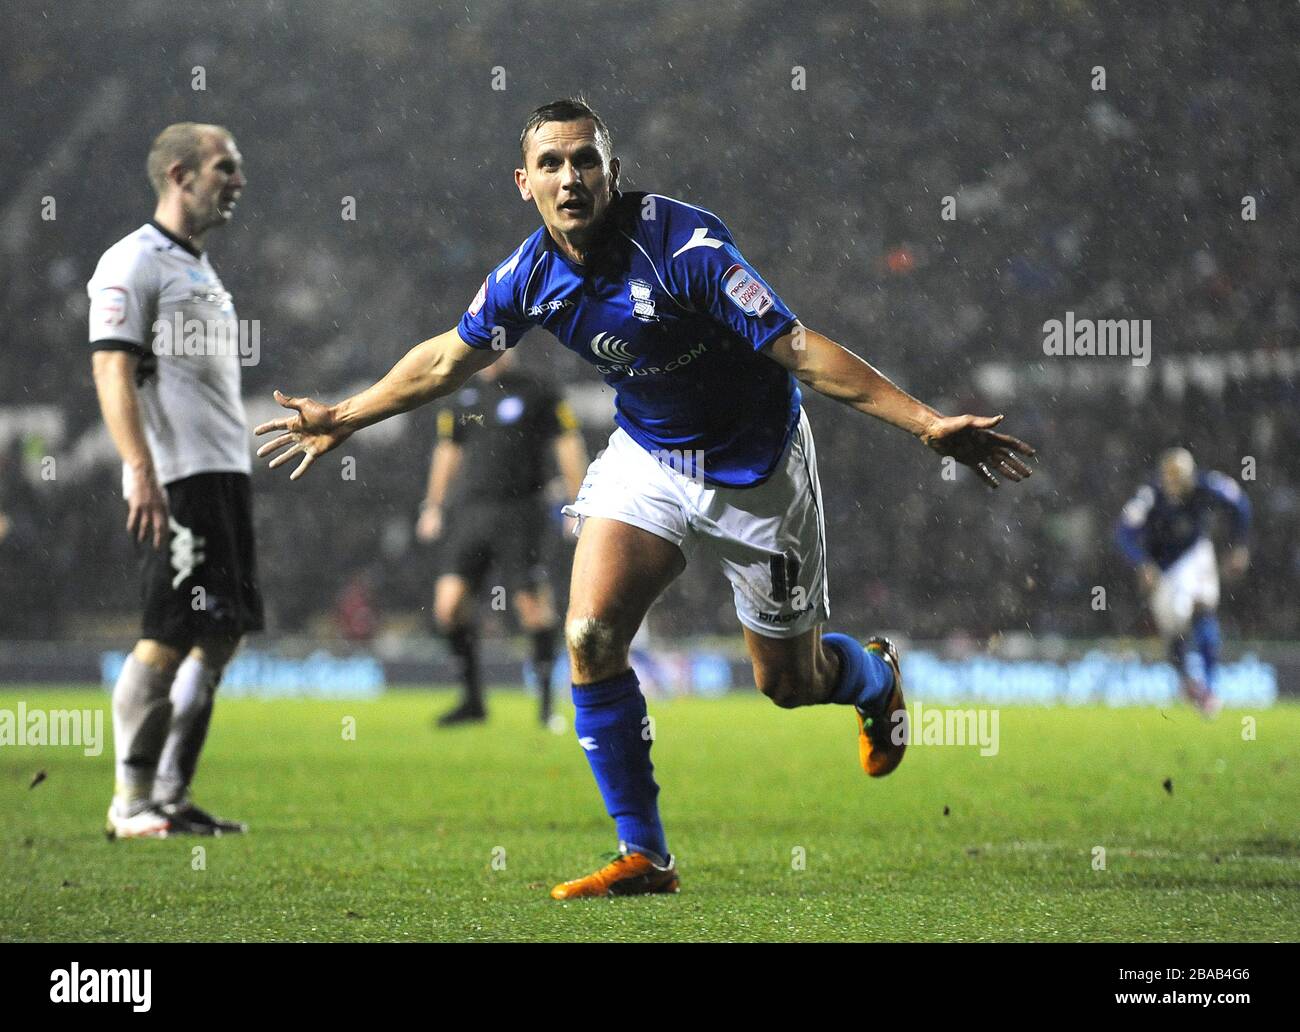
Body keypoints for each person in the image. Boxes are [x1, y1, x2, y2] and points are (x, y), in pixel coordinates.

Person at [255, 98, 1035, 896]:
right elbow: (442, 362)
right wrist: (344, 417)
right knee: (589, 635)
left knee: (787, 685)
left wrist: (926, 423)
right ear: (524, 183)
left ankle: (871, 678)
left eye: (585, 160)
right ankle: (646, 855)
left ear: (612, 172)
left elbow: (799, 349)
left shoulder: (685, 247)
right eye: (551, 165)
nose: (570, 178)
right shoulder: (529, 275)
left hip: (756, 472)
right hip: (651, 459)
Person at [89, 122, 258, 839]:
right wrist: (140, 469)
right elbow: (111, 368)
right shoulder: (132, 261)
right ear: (181, 175)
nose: (238, 181)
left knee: (221, 635)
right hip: (178, 477)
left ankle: (167, 795)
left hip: (223, 474)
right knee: (166, 632)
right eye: (226, 167)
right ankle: (129, 803)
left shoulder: (200, 267)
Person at [415, 348, 588, 727]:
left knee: (531, 606)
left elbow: (567, 443)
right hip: (471, 513)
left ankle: (546, 707)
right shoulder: (463, 395)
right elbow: (447, 451)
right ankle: (473, 701)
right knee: (448, 607)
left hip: (521, 512)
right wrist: (433, 505)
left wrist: (579, 503)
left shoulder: (538, 390)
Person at [1116, 447, 1250, 717]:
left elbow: (1240, 505)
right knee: (1173, 629)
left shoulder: (1206, 485)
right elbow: (1123, 533)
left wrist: (1240, 545)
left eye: (1179, 477)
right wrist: (1142, 562)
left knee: (1201, 607)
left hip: (1195, 554)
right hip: (1164, 570)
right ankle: (1188, 682)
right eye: (1170, 477)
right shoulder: (1150, 496)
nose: (1174, 483)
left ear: (1190, 475)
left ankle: (1210, 687)